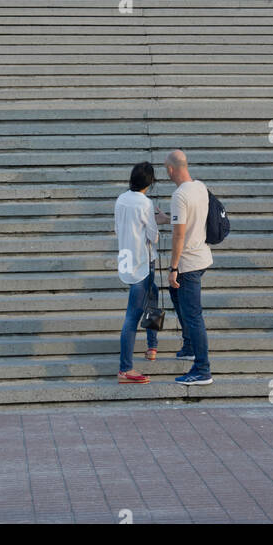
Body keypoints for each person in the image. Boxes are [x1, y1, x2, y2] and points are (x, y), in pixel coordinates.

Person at [115, 161, 170, 382]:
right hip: (142, 261)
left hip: (126, 258)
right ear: (150, 182)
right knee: (133, 315)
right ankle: (125, 369)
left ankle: (152, 345)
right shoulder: (145, 203)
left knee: (153, 295)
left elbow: (119, 228)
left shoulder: (120, 199)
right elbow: (153, 236)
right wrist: (160, 219)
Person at [165, 150, 213, 385]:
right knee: (176, 296)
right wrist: (168, 217)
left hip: (188, 262)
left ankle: (202, 369)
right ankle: (189, 345)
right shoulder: (200, 187)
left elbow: (179, 234)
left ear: (171, 169)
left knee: (194, 316)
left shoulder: (179, 195)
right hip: (201, 256)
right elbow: (188, 219)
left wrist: (173, 267)